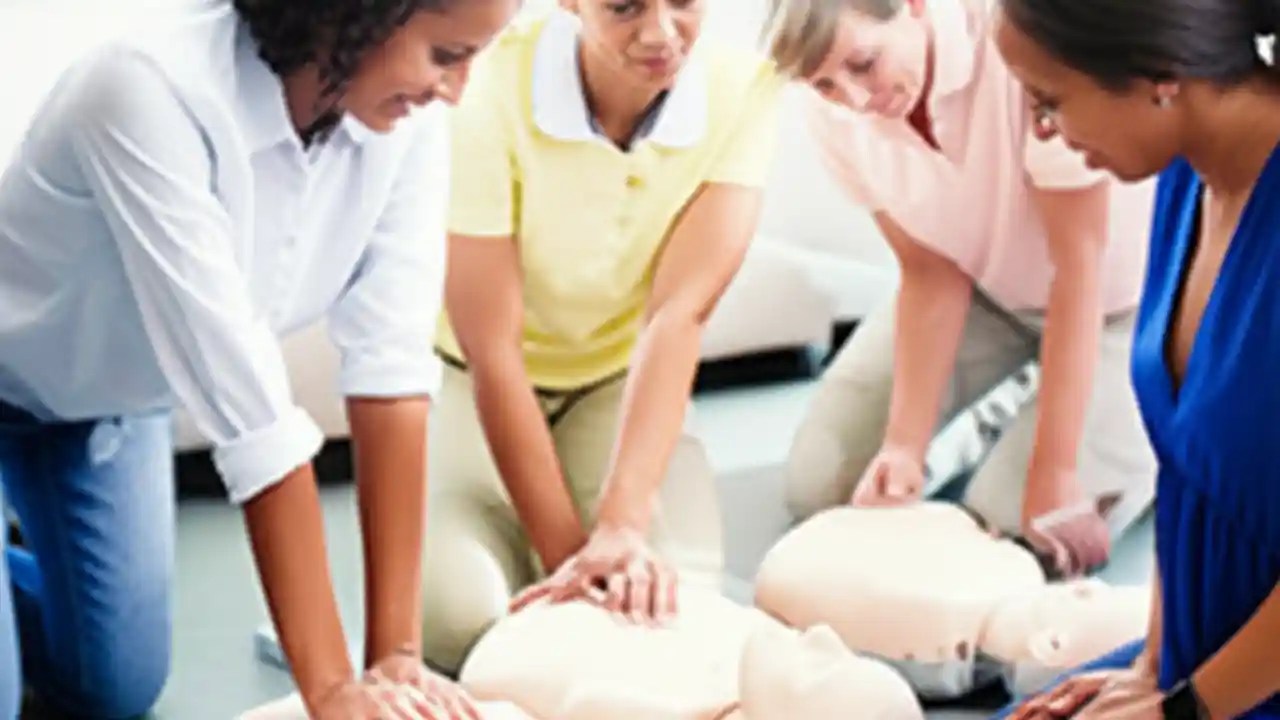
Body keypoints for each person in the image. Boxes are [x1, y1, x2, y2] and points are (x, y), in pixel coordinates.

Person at [0, 0, 516, 716]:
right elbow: (253, 420)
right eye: (446, 56)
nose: (455, 90)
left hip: (106, 409)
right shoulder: (142, 90)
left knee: (114, 686)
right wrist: (330, 691)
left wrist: (396, 656)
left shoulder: (406, 123)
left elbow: (391, 370)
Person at [421, 0, 781, 675]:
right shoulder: (486, 86)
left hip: (618, 381)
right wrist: (571, 566)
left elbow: (678, 316)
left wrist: (620, 526)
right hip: (474, 381)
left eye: (682, 1)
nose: (660, 32)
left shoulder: (744, 88)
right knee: (457, 621)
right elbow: (493, 351)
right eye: (623, 7)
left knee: (669, 601)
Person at [764, 0, 1158, 574]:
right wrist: (904, 446)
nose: (854, 99)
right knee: (822, 485)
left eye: (864, 64)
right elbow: (928, 271)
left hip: (1118, 310)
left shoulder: (1024, 48)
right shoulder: (834, 113)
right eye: (824, 85)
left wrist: (1056, 471)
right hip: (988, 293)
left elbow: (1078, 271)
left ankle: (1160, 432)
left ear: (914, 6)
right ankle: (1001, 408)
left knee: (1019, 535)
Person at [992, 0, 1280, 718]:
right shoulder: (1186, 181)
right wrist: (1152, 663)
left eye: (1050, 100)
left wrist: (1183, 709)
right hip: (1198, 660)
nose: (1042, 130)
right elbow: (1188, 482)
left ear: (1159, 72)